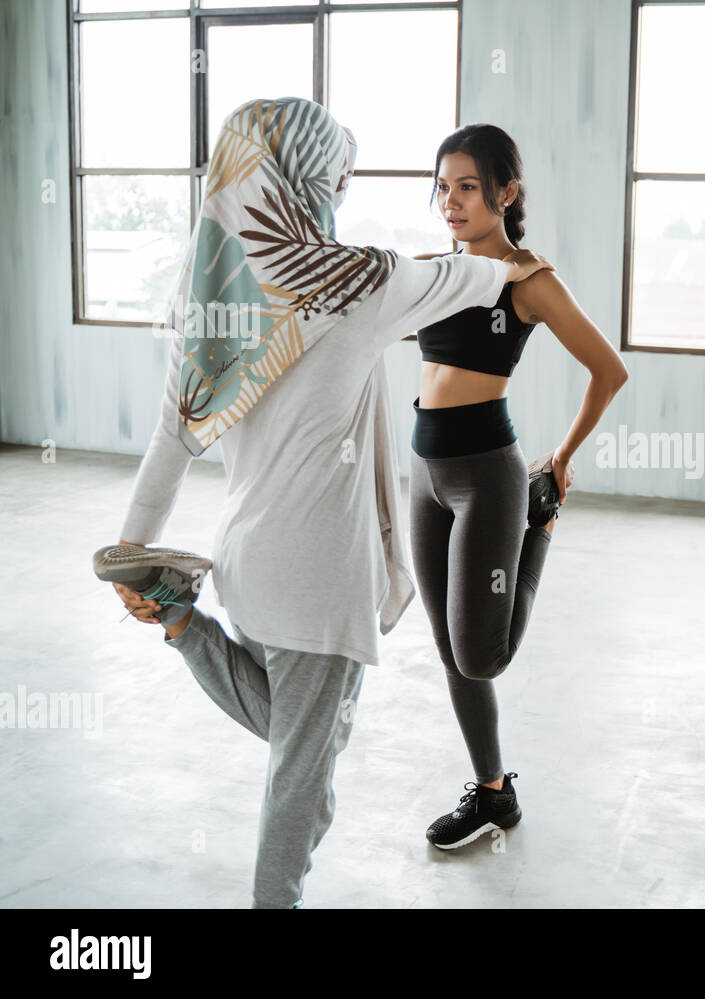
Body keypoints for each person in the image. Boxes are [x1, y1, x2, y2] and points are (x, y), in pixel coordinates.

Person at [94, 98, 552, 908]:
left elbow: (172, 438)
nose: (338, 195)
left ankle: (180, 617)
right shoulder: (355, 283)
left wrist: (132, 550)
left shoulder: (209, 305)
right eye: (335, 178)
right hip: (319, 572)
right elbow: (459, 275)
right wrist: (510, 266)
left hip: (246, 561)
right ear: (305, 181)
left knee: (305, 733)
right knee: (301, 773)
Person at [408, 124, 628, 849]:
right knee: (449, 648)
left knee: (482, 656)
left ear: (505, 191)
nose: (451, 201)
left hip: (487, 478)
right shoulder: (437, 272)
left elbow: (609, 371)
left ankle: (541, 528)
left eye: (467, 187)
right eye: (443, 187)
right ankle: (493, 793)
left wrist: (560, 459)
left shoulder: (529, 280)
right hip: (425, 472)